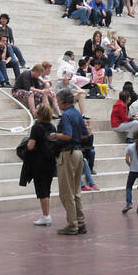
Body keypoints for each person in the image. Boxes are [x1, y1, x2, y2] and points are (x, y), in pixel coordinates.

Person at [50, 89, 89, 234]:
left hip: (68, 154)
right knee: (76, 191)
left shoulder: (66, 115)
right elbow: (86, 134)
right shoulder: (77, 113)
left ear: (65, 102)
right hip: (79, 152)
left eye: (59, 101)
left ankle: (73, 224)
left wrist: (55, 135)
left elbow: (67, 135)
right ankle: (81, 222)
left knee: (66, 192)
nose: (58, 103)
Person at [24, 104, 57, 226]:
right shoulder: (52, 127)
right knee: (46, 188)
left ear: (40, 114)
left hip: (39, 161)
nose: (35, 110)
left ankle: (46, 215)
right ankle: (46, 214)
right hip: (50, 161)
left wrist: (27, 144)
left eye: (37, 109)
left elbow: (31, 146)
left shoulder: (37, 127)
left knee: (42, 189)